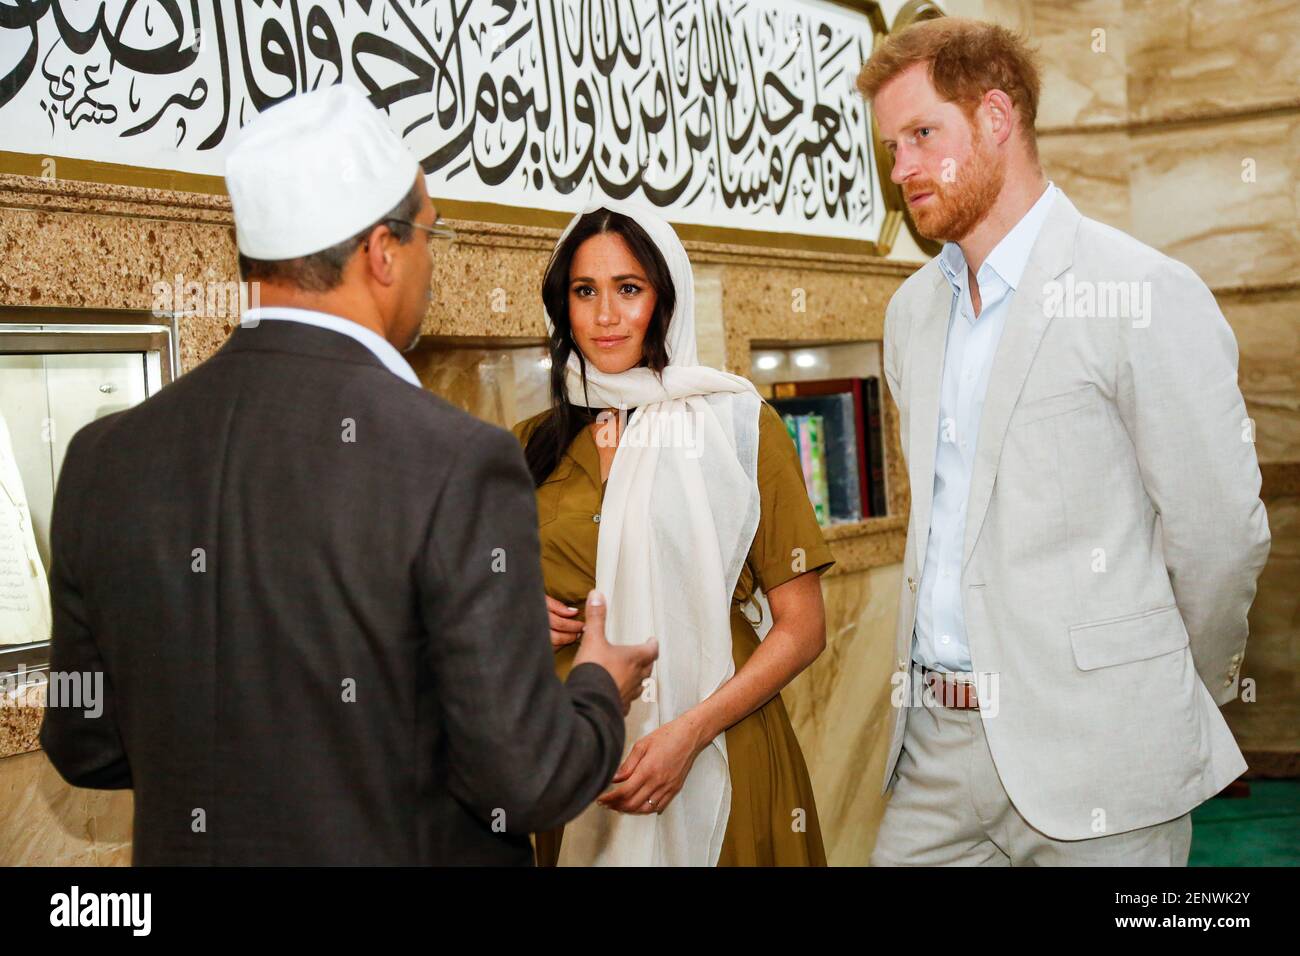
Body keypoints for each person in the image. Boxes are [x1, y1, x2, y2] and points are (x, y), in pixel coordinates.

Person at [39, 84, 656, 865]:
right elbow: (522, 779)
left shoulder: (103, 459)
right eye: (431, 233)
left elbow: (83, 742)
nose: (433, 262)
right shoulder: (456, 459)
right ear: (382, 250)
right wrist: (599, 684)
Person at [857, 17, 1270, 865]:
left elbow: (1220, 534)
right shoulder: (909, 315)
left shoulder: (1142, 291)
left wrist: (1162, 688)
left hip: (1102, 750)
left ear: (997, 118)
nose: (901, 171)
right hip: (935, 748)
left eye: (922, 135)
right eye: (891, 147)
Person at [512, 199, 831, 866]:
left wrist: (689, 734)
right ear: (560, 306)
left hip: (721, 746)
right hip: (582, 769)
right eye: (584, 291)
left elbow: (803, 628)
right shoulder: (528, 449)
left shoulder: (738, 426)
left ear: (665, 299)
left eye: (629, 289)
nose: (604, 315)